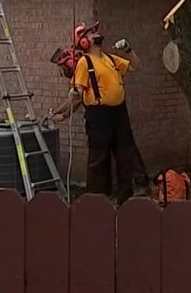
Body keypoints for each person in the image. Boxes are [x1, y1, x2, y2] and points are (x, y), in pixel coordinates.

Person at [50, 22, 147, 203]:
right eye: (90, 33)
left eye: (95, 31)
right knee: (99, 159)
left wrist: (128, 50)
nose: (96, 33)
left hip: (119, 113)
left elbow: (136, 66)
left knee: (125, 154)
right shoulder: (84, 63)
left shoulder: (110, 58)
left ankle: (125, 198)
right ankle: (97, 200)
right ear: (83, 42)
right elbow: (77, 96)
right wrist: (61, 113)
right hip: (98, 115)